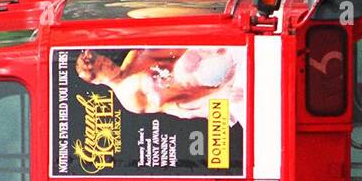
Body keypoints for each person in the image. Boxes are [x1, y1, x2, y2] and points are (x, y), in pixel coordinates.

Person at [74, 47, 245, 124]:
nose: (108, 64)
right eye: (102, 67)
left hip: (216, 57)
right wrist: (219, 97)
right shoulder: (130, 99)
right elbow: (177, 107)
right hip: (206, 87)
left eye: (104, 60)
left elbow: (177, 50)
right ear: (97, 80)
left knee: (187, 62)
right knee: (187, 69)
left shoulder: (134, 57)